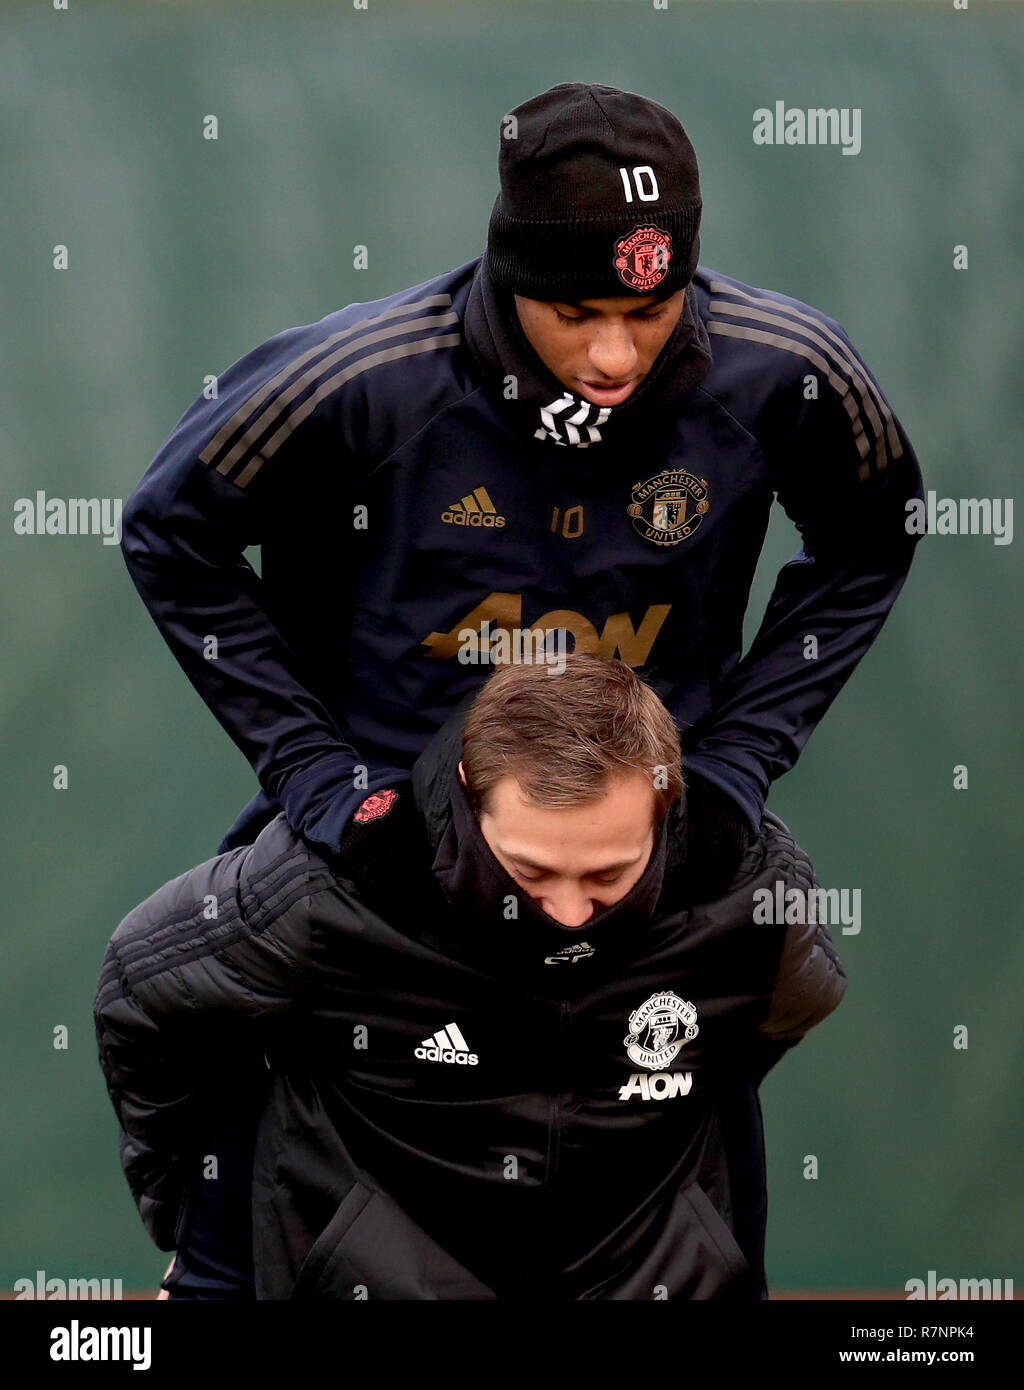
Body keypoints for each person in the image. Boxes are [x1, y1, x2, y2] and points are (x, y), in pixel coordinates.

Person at [118, 80, 920, 1295]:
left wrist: (734, 766)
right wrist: (318, 777)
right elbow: (169, 534)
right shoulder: (356, 377)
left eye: (650, 311)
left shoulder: (785, 371)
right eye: (577, 310)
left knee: (695, 1215)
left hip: (649, 875)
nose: (613, 353)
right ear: (505, 276)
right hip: (380, 864)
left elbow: (873, 531)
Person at [95, 656, 846, 1301]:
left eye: (609, 874)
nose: (569, 913)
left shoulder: (751, 897)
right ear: (467, 792)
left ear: (666, 807)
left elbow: (773, 1026)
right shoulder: (327, 890)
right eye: (531, 871)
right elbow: (145, 994)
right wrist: (200, 1236)